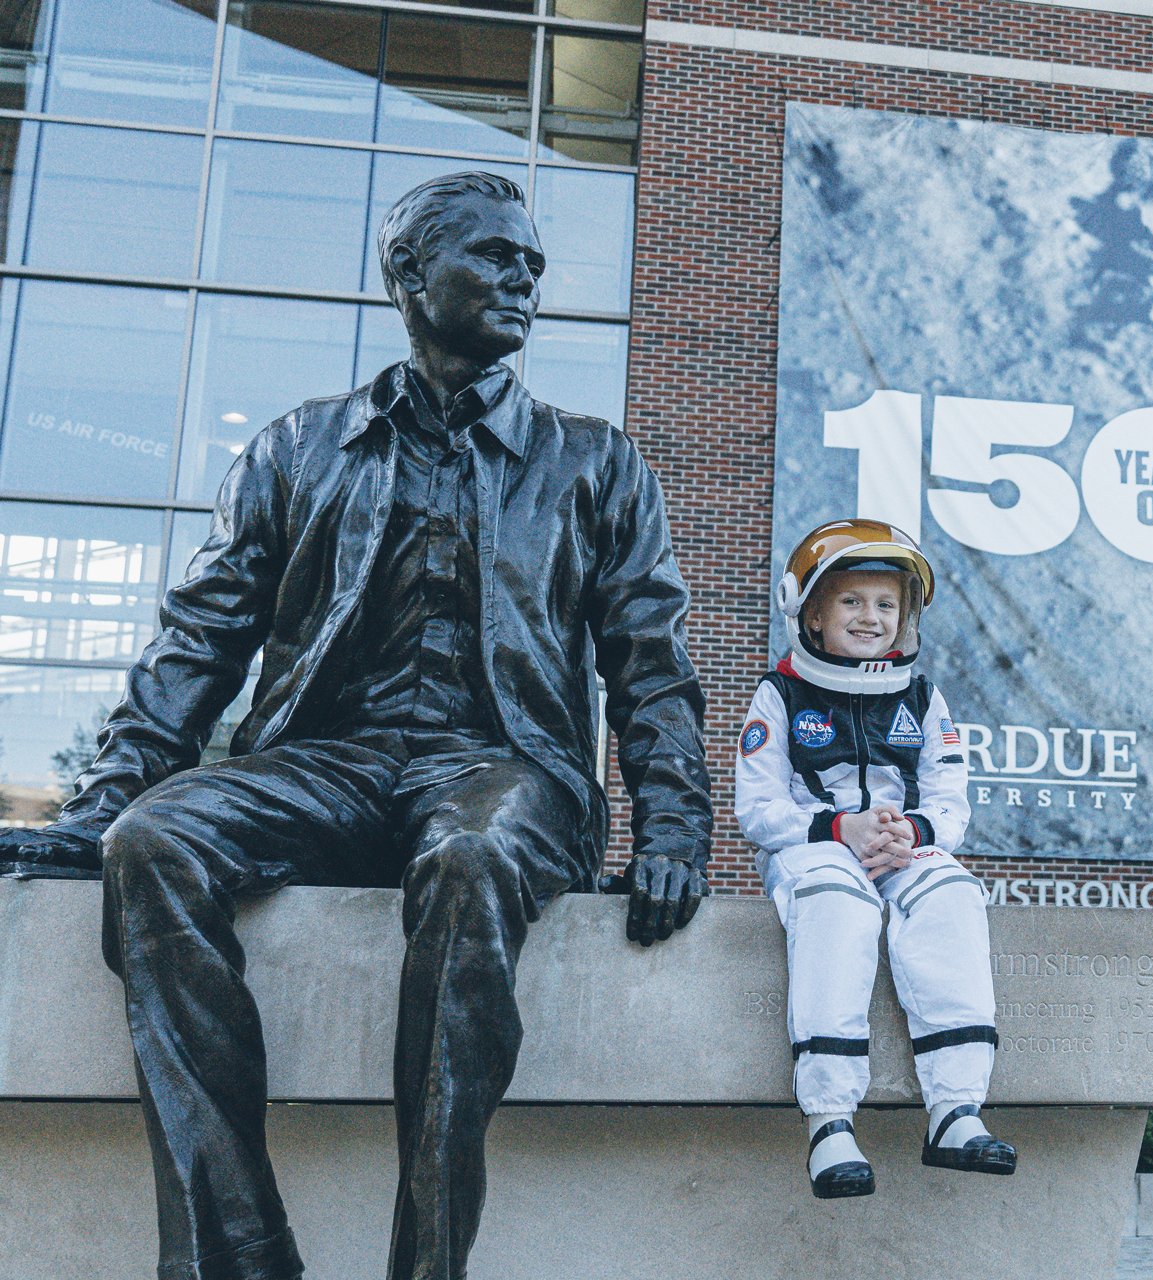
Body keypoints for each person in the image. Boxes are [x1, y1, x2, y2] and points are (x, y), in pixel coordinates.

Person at [0, 171, 711, 1280]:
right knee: (151, 839)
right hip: (328, 767)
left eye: (533, 262)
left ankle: (427, 1265)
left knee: (471, 855)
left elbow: (651, 666)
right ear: (411, 273)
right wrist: (101, 806)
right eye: (495, 255)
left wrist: (673, 828)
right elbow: (200, 643)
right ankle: (238, 1250)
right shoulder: (299, 447)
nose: (525, 277)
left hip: (506, 771)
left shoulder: (595, 461)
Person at [734, 517, 1016, 1199]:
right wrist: (840, 828)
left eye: (887, 603)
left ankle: (955, 1111)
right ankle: (829, 1122)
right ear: (811, 612)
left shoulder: (922, 696)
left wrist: (910, 832)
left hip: (900, 850)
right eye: (852, 601)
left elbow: (950, 800)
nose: (871, 616)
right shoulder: (780, 693)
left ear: (906, 616)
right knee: (839, 901)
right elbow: (758, 810)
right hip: (812, 853)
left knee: (952, 893)